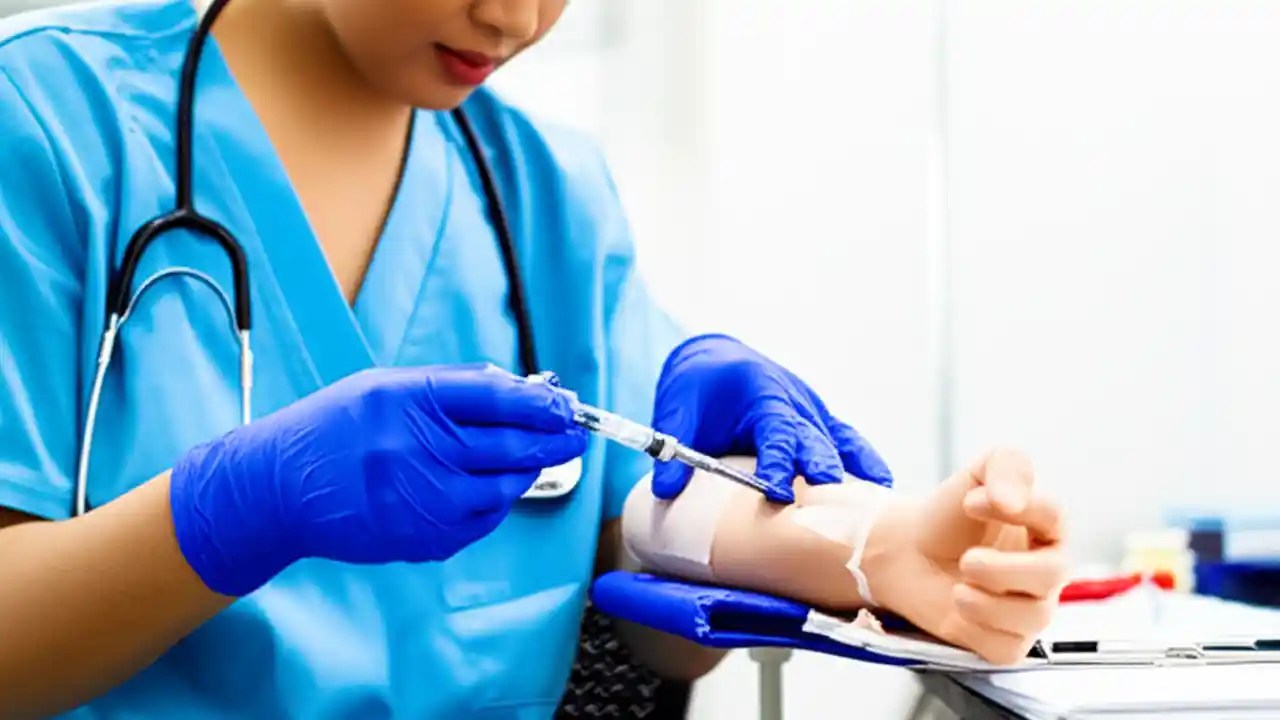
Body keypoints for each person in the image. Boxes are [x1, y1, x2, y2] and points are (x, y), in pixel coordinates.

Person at [0, 1, 894, 717]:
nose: (515, 19)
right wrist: (234, 511)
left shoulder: (549, 194)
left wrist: (847, 537)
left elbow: (661, 635)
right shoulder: (43, 118)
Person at [622, 451, 1068, 665]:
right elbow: (650, 511)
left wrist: (900, 549)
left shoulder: (616, 315)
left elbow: (658, 511)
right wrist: (883, 548)